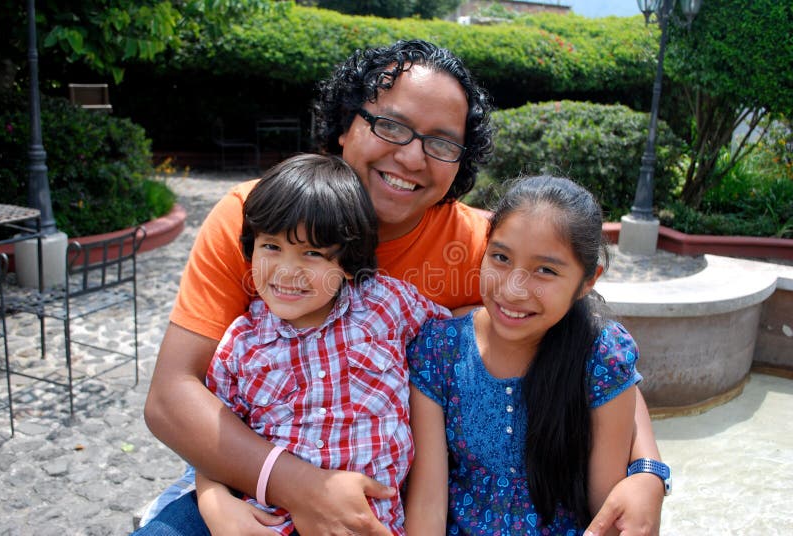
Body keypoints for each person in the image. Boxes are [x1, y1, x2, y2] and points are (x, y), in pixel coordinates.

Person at [141, 39, 666, 535]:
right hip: (251, 474)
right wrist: (298, 487)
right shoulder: (262, 219)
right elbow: (172, 397)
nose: (413, 158)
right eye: (391, 126)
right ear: (346, 125)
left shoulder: (492, 250)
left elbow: (590, 335)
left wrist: (647, 468)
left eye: (441, 141)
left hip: (396, 501)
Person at [178, 153, 447, 536]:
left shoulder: (386, 304)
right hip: (273, 524)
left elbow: (458, 331)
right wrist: (212, 498)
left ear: (350, 263)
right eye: (271, 247)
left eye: (312, 253)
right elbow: (212, 442)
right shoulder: (240, 344)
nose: (288, 271)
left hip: (372, 526)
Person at [404, 176, 643, 535]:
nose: (513, 289)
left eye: (545, 270)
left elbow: (604, 509)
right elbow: (427, 504)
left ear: (588, 280)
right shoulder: (439, 350)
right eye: (501, 258)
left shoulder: (601, 357)